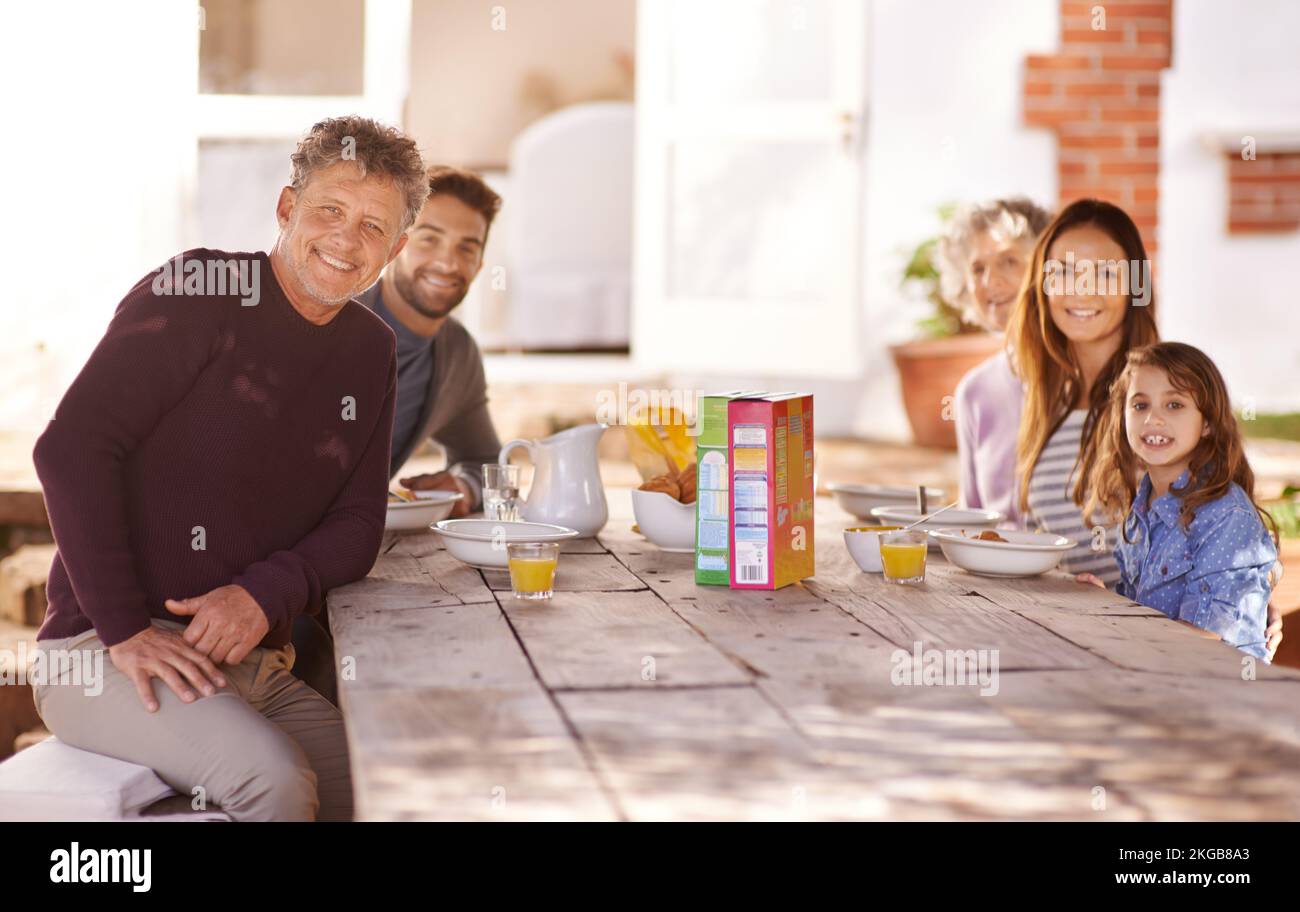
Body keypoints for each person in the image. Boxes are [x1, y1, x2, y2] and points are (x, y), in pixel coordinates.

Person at [30, 116, 428, 821]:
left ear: (394, 249)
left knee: (384, 790)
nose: (346, 238)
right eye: (329, 210)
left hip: (247, 665)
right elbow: (71, 448)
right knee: (273, 780)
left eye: (373, 227)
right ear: (286, 208)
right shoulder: (199, 290)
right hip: (100, 653)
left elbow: (360, 521)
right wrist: (125, 629)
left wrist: (262, 595)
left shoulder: (370, 349)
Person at [290, 166, 505, 706]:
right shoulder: (328, 320)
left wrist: (462, 490)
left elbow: (485, 462)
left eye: (468, 247)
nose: (448, 262)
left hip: (355, 568)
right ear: (398, 243)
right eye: (431, 238)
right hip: (273, 575)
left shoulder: (455, 355)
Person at [1080, 342, 1278, 660]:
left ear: (1208, 423)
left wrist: (1113, 624)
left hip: (1217, 690)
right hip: (1155, 674)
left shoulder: (1225, 515)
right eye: (1140, 405)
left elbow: (1203, 636)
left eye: (1174, 405)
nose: (1153, 419)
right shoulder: (1140, 508)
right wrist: (1105, 602)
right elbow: (1142, 607)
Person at [1007, 198, 1160, 587]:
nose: (1081, 289)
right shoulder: (1045, 404)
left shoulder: (1166, 398)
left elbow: (1218, 535)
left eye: (1106, 274)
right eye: (1065, 271)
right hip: (1066, 637)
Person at [938, 198, 1052, 526]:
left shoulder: (1087, 374)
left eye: (1009, 261)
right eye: (978, 268)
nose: (990, 282)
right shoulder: (973, 391)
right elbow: (971, 518)